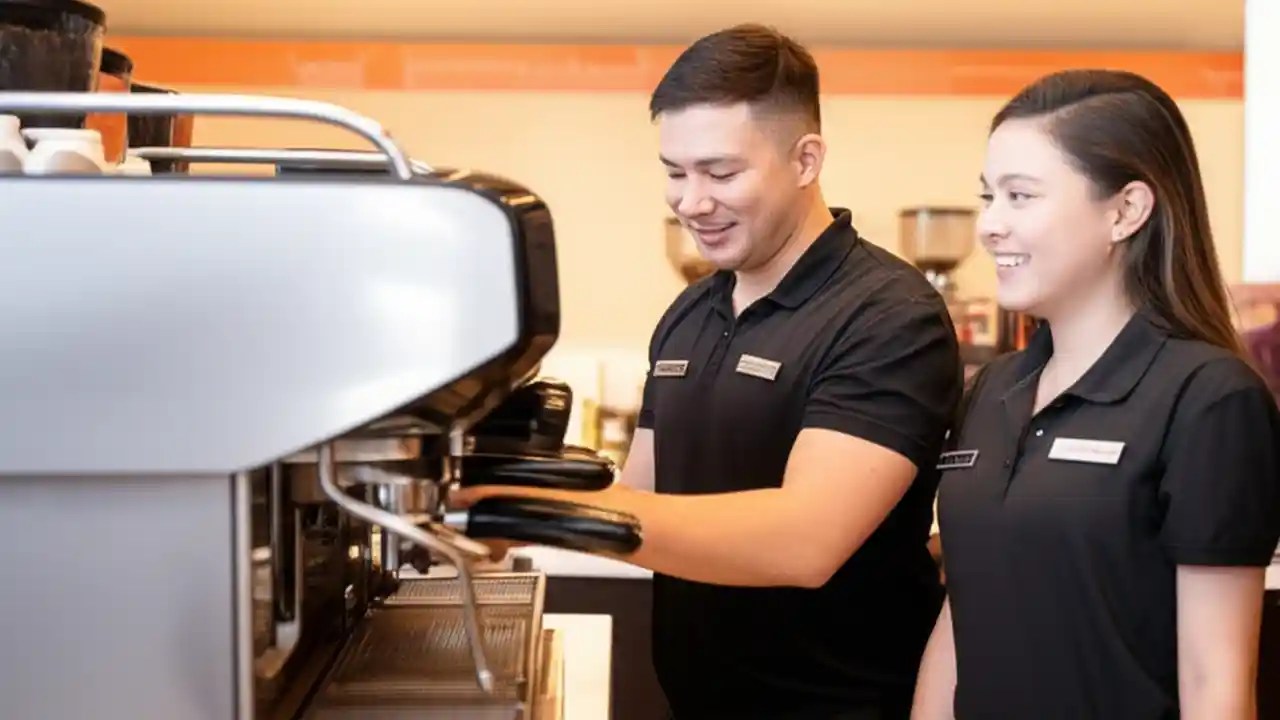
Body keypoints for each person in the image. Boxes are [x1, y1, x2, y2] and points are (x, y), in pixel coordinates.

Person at [453, 23, 962, 720]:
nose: (691, 201)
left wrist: (549, 509)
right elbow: (642, 492)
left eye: (721, 173)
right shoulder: (691, 310)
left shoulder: (889, 314)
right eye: (675, 171)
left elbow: (805, 539)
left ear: (806, 158)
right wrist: (502, 514)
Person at [911, 68, 1280, 720]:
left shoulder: (1210, 401)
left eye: (1020, 196)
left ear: (1125, 210)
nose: (990, 224)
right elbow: (961, 619)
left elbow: (1214, 682)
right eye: (987, 196)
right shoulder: (993, 389)